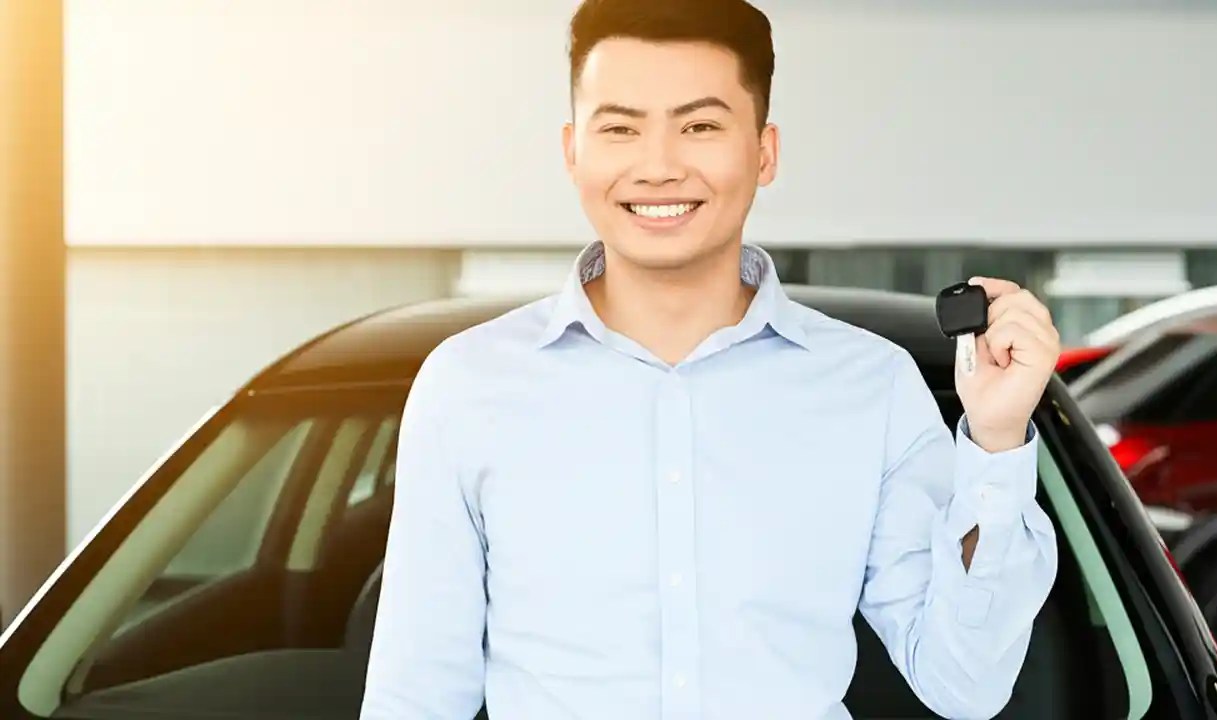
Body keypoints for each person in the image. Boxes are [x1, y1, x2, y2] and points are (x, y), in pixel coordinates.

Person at [359, 0, 1059, 717]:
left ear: (764, 151)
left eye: (699, 126)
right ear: (573, 151)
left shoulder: (872, 387)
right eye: (621, 128)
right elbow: (416, 696)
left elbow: (963, 684)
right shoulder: (468, 386)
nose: (658, 167)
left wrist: (997, 443)